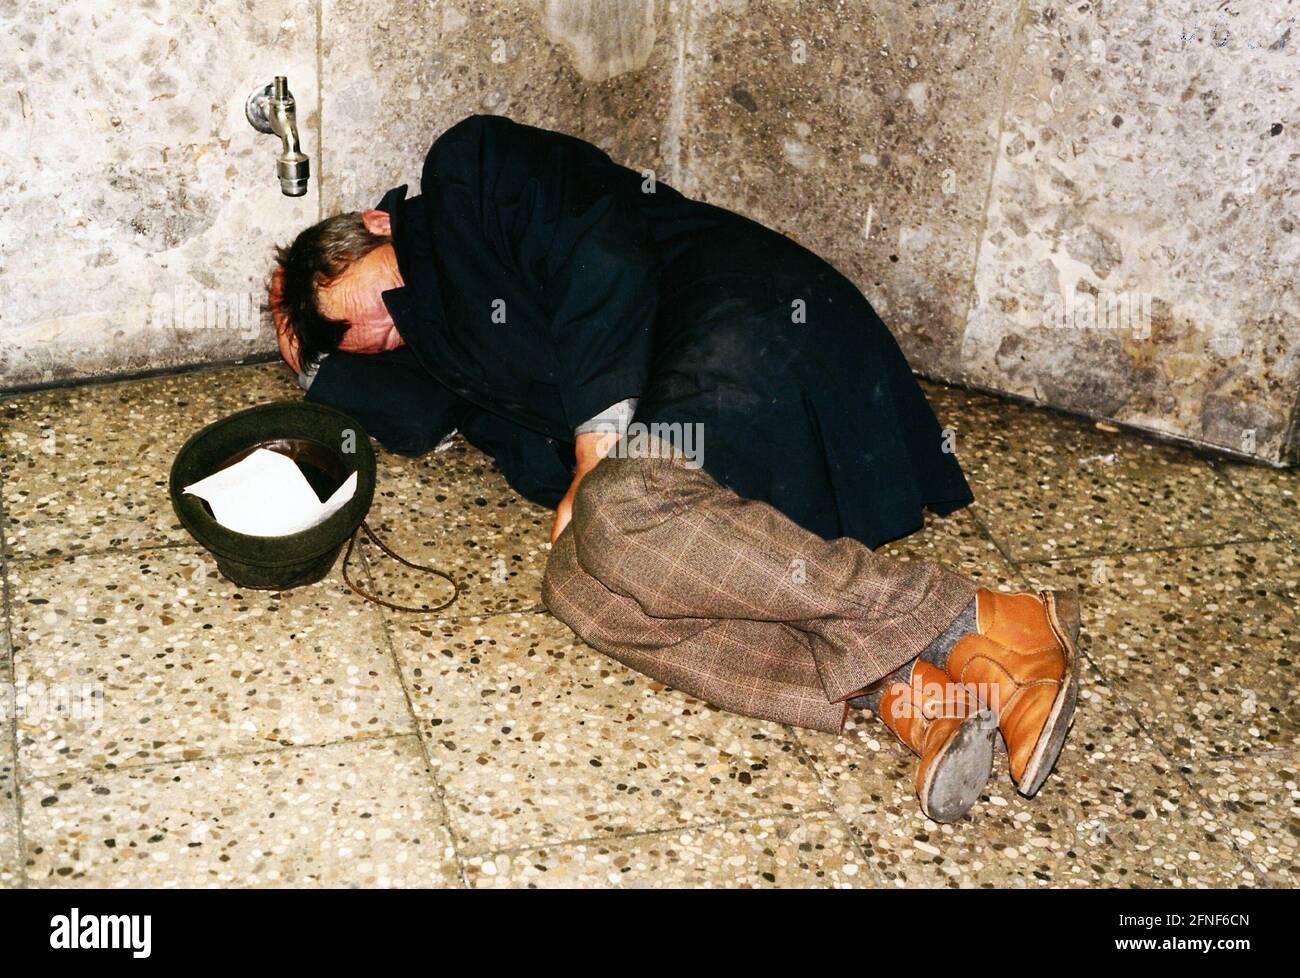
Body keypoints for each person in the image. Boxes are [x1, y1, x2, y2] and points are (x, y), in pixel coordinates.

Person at [269, 114, 1080, 823]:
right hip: (686, 447)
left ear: (378, 224)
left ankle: (981, 617)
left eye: (370, 308)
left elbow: (604, 251)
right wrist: (307, 349)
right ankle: (913, 687)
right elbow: (412, 420)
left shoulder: (470, 168)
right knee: (578, 588)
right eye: (372, 344)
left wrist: (595, 453)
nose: (384, 332)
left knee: (616, 513)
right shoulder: (447, 358)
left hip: (748, 327)